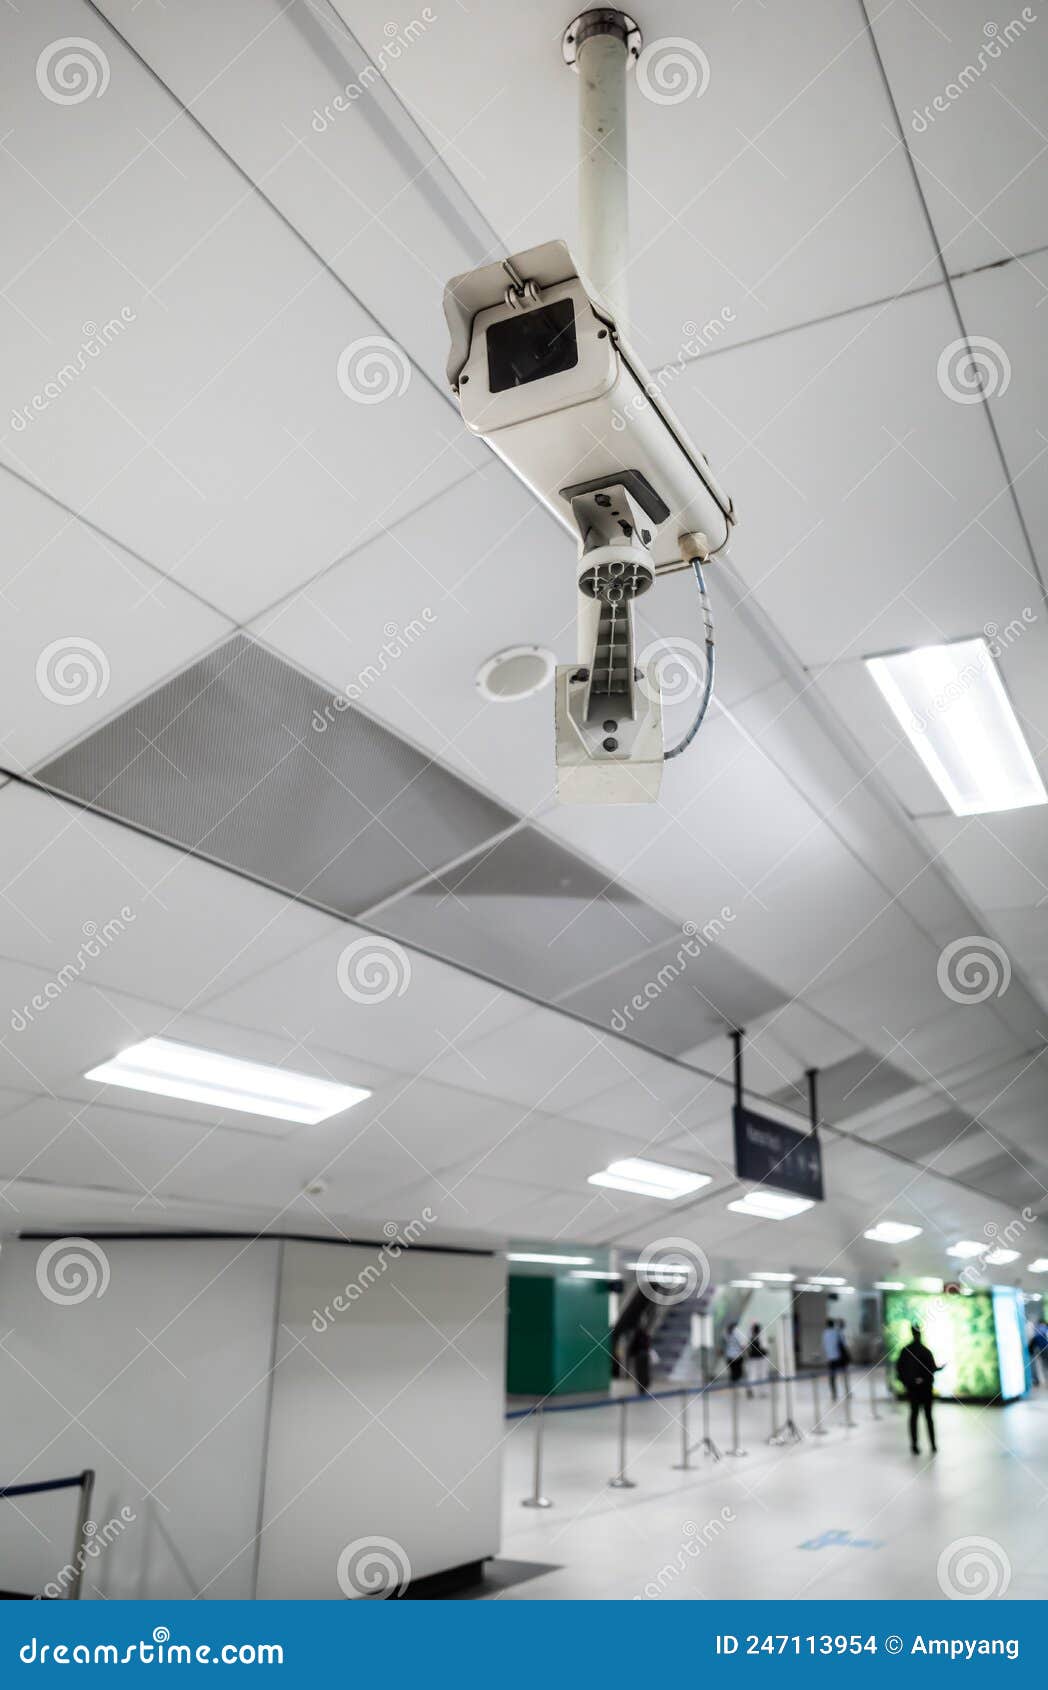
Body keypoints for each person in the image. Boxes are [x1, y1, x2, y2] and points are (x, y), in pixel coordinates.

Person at [896, 1322, 943, 1454]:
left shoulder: (906, 1351)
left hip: (913, 1390)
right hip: (925, 1390)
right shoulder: (925, 1351)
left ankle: (914, 1445)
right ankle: (932, 1445)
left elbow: (899, 1370)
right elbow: (932, 1369)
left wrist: (907, 1383)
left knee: (914, 1416)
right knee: (928, 1417)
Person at [628, 1323, 654, 1394]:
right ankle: (645, 1384)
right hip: (645, 1355)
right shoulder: (646, 1336)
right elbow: (648, 1345)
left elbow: (632, 1346)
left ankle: (641, 1387)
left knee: (639, 1373)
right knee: (645, 1371)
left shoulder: (636, 1336)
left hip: (638, 1356)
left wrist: (631, 1354)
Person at [822, 1317, 844, 1399]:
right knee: (842, 1374)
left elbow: (824, 1346)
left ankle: (834, 1393)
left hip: (830, 1358)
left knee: (832, 1377)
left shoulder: (825, 1333)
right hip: (838, 1357)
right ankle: (845, 1390)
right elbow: (843, 1344)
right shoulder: (836, 1333)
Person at [747, 1322, 769, 1397]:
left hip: (753, 1358)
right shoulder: (762, 1336)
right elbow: (765, 1348)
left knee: (753, 1374)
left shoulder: (750, 1336)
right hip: (761, 1358)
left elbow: (747, 1347)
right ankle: (763, 1392)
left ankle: (752, 1390)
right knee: (763, 1374)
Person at [724, 1320, 746, 1387]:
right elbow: (743, 1345)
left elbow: (724, 1344)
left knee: (733, 1373)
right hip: (737, 1356)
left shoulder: (726, 1333)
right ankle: (738, 1387)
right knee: (738, 1373)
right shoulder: (737, 1333)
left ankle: (734, 1387)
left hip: (729, 1357)